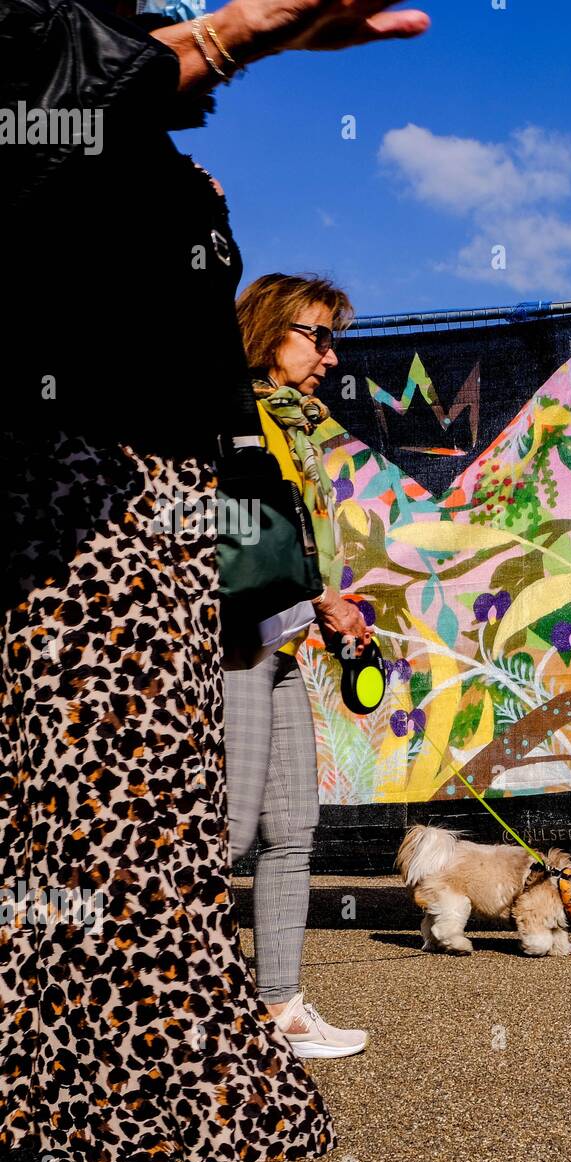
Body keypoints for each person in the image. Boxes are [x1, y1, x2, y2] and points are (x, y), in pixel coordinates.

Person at [0, 0, 427, 1162]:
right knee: (121, 870)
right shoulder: (57, 79)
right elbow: (40, 104)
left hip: (134, 521)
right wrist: (238, 34)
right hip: (82, 511)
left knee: (117, 871)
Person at [226, 272, 371, 1059]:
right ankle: (180, 1007)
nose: (331, 354)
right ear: (271, 331)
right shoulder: (233, 414)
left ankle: (278, 1008)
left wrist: (322, 601)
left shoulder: (299, 429)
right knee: (223, 832)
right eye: (318, 335)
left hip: (281, 643)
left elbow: (288, 545)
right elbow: (237, 545)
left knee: (292, 832)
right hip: (235, 645)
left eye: (333, 338)